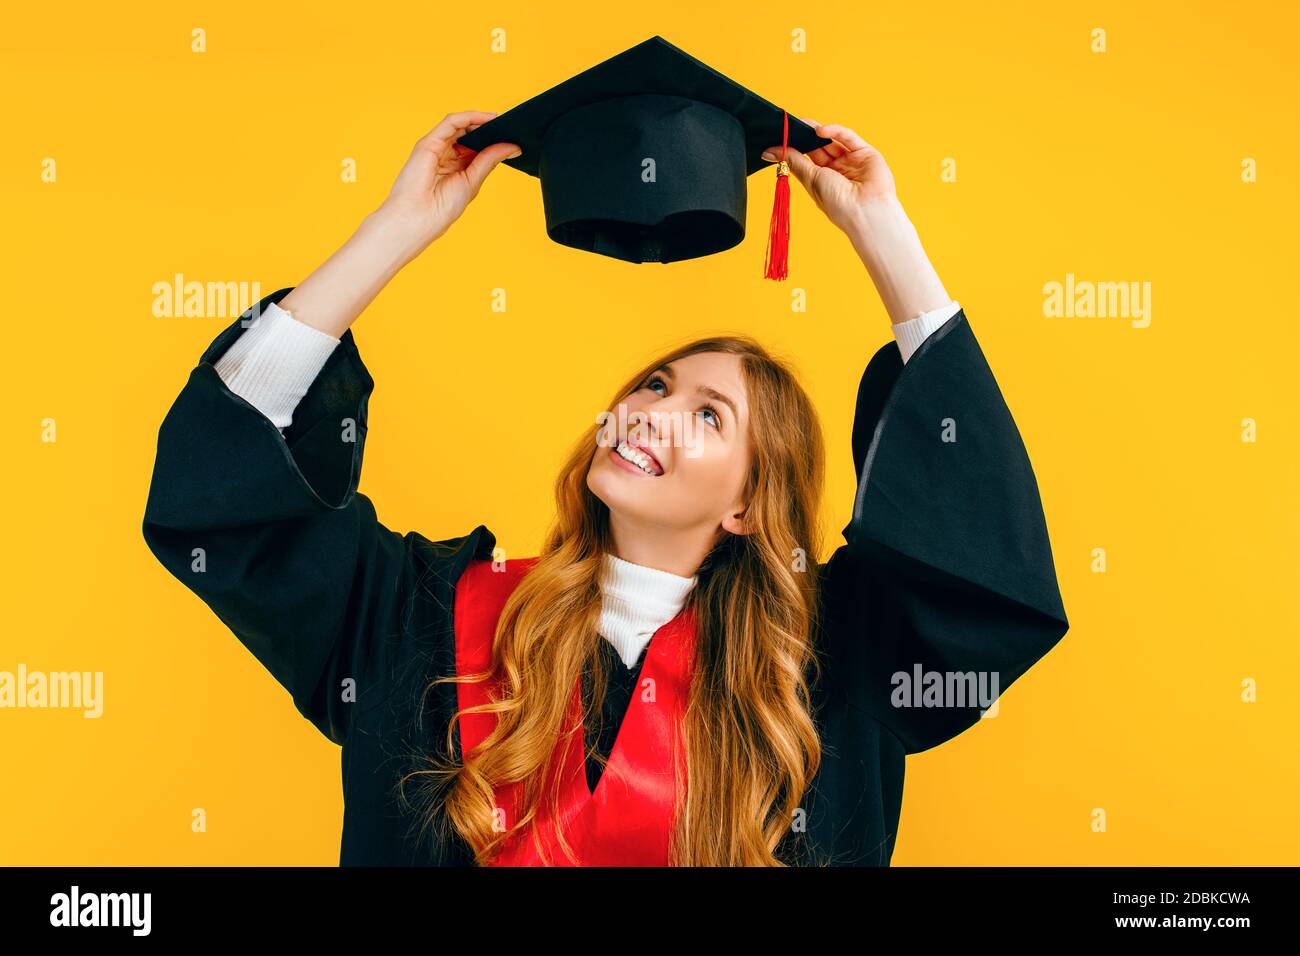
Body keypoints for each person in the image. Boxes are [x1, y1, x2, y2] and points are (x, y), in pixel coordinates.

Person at [142, 111, 1069, 866]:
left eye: (710, 417)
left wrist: (884, 235)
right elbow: (226, 499)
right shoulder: (420, 620)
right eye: (656, 386)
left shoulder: (827, 672)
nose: (655, 413)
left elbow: (988, 586)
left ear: (748, 506)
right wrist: (395, 230)